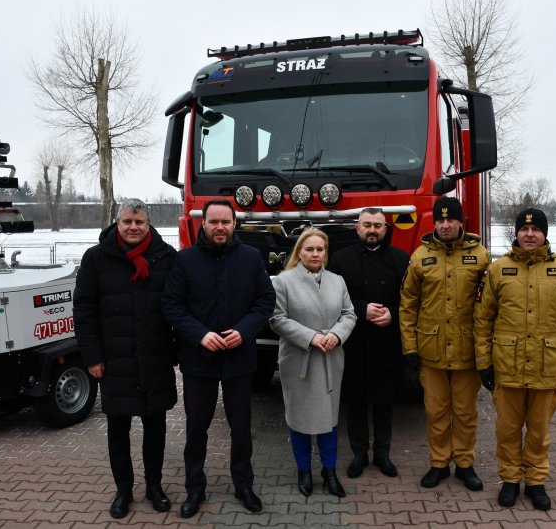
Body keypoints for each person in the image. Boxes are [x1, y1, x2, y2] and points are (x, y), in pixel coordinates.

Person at [161, 199, 275, 517]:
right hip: (199, 359)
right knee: (197, 428)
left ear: (235, 223)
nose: (220, 227)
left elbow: (265, 300)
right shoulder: (185, 261)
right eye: (214, 222)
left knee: (241, 427)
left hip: (240, 359)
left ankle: (244, 485)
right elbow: (172, 304)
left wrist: (245, 330)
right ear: (204, 224)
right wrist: (199, 334)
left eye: (225, 221)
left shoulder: (251, 258)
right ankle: (194, 489)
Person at [474, 208, 556, 511]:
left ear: (544, 234)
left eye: (536, 229)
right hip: (506, 368)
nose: (529, 234)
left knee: (539, 432)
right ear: (516, 233)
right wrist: (484, 363)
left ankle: (536, 481)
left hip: (546, 368)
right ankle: (510, 479)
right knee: (507, 430)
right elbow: (482, 320)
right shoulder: (498, 270)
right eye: (524, 230)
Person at [73, 198, 177, 519]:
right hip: (114, 361)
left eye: (140, 222)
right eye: (127, 221)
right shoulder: (97, 258)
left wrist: (175, 350)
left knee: (155, 427)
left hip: (154, 358)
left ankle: (155, 486)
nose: (134, 227)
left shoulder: (166, 258)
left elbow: (178, 306)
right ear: (117, 223)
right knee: (118, 429)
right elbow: (84, 311)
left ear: (149, 224)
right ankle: (124, 490)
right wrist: (91, 356)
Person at [399, 197, 489, 491]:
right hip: (431, 350)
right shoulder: (420, 257)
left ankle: (465, 464)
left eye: (451, 220)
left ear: (462, 222)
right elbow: (408, 305)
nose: (446, 225)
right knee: (436, 411)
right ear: (434, 223)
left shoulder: (480, 257)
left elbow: (491, 307)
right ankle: (439, 463)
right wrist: (410, 347)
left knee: (465, 412)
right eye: (440, 220)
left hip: (467, 351)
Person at [270, 229, 357, 497]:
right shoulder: (283, 282)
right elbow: (277, 319)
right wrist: (311, 338)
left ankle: (329, 470)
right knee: (300, 419)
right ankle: (304, 471)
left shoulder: (337, 281)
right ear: (299, 252)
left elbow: (349, 314)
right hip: (300, 360)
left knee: (329, 420)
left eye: (320, 249)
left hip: (331, 358)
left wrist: (335, 335)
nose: (316, 254)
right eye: (310, 249)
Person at [328, 208, 409, 479]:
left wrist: (393, 314)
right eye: (367, 225)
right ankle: (359, 454)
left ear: (386, 229)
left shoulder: (401, 259)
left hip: (387, 341)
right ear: (357, 228)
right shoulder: (339, 260)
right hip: (354, 341)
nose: (372, 230)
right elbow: (331, 300)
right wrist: (362, 309)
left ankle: (383, 454)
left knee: (385, 402)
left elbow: (411, 301)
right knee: (356, 401)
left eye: (377, 225)